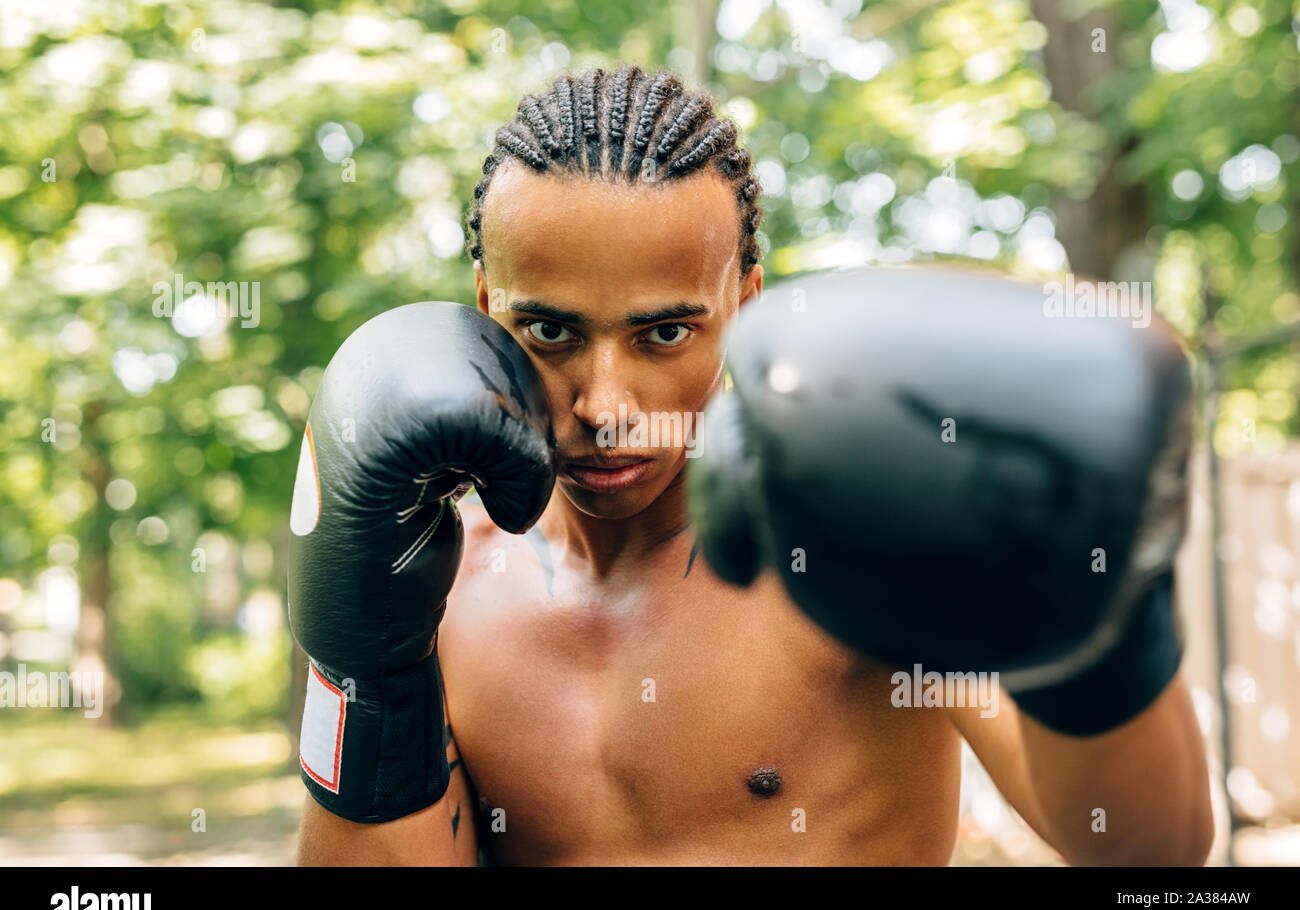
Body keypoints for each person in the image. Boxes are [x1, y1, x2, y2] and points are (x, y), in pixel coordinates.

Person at [291, 65, 1213, 866]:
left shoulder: (848, 530)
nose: (606, 408)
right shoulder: (436, 571)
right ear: (487, 303)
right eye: (550, 330)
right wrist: (365, 671)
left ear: (745, 300)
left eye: (664, 332)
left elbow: (1148, 855)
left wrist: (1103, 634)